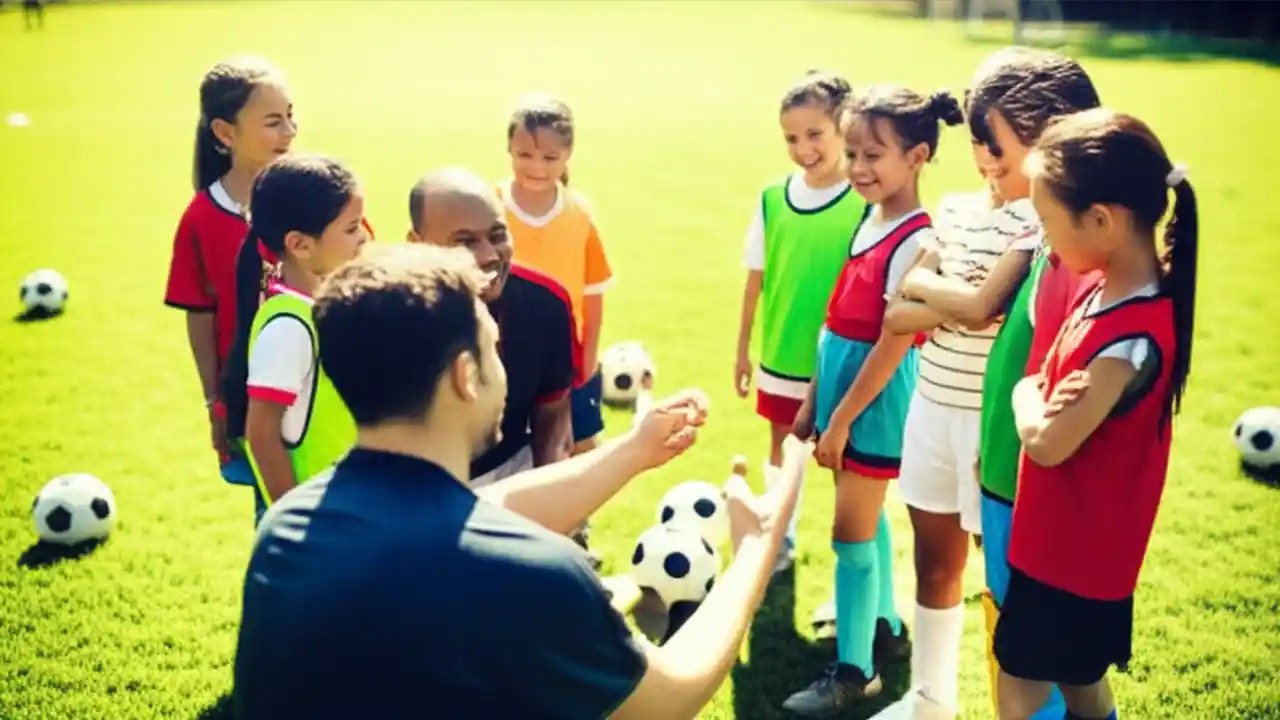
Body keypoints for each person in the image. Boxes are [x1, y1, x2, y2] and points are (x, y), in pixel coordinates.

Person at [233, 242, 808, 720]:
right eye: (492, 347)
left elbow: (477, 514)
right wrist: (756, 544)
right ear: (465, 375)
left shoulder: (289, 527)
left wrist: (630, 453)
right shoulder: (528, 574)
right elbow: (670, 697)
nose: (499, 365)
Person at [884, 47, 1102, 720]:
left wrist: (934, 290)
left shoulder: (1042, 224)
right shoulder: (956, 209)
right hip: (934, 410)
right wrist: (939, 289)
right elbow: (897, 308)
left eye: (999, 153)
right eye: (978, 146)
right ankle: (930, 699)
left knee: (1008, 590)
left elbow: (984, 309)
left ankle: (1031, 709)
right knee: (936, 561)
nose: (984, 164)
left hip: (996, 434)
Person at [995, 107, 1197, 720]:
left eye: (1048, 221)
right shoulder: (1099, 286)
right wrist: (1036, 396)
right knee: (1079, 683)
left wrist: (1025, 396)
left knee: (1022, 684)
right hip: (1062, 548)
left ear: (1102, 220)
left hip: (1073, 560)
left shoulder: (1129, 341)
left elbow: (1048, 441)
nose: (1044, 236)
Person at [783, 85, 962, 717]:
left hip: (874, 404)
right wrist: (813, 400)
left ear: (917, 156)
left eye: (873, 155)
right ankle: (881, 623)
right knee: (863, 516)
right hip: (844, 395)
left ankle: (856, 674)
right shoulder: (874, 215)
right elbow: (838, 322)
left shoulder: (918, 238)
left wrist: (842, 420)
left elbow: (891, 344)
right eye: (853, 152)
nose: (857, 168)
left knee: (847, 533)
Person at [734, 69, 863, 573]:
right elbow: (755, 278)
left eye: (815, 134)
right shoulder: (772, 198)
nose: (802, 147)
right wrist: (742, 349)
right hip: (782, 354)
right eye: (791, 137)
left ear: (842, 129)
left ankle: (850, 549)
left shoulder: (862, 199)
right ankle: (779, 539)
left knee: (844, 461)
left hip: (842, 359)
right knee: (782, 449)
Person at [163, 56, 295, 510]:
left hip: (322, 380)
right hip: (252, 393)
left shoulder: (313, 194)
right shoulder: (201, 217)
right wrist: (213, 400)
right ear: (225, 133)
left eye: (291, 117)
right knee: (275, 508)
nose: (290, 132)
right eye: (274, 122)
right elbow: (199, 315)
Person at [408, 168, 576, 488]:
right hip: (410, 485)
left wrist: (549, 490)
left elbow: (552, 409)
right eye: (465, 241)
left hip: (509, 475)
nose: (488, 255)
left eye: (497, 236)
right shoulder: (385, 311)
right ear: (417, 242)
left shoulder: (544, 302)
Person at [219, 154, 366, 520]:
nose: (363, 238)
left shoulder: (330, 307)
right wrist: (295, 523)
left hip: (351, 510)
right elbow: (262, 433)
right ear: (300, 245)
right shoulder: (288, 328)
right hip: (321, 520)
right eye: (350, 229)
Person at [500, 94, 612, 456]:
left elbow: (594, 294)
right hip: (506, 350)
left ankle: (576, 515)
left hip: (566, 356)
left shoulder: (579, 215)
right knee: (516, 450)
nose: (536, 167)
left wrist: (589, 358)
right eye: (525, 156)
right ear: (509, 150)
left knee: (580, 446)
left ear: (567, 155)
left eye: (550, 158)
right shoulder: (489, 206)